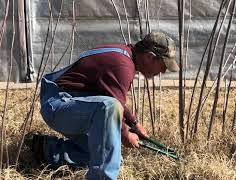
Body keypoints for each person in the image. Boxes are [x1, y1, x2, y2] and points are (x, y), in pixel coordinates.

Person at [27, 31, 179, 180]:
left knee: (111, 159)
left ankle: (44, 149)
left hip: (70, 103)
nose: (164, 71)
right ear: (149, 57)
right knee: (109, 109)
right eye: (163, 65)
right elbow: (111, 105)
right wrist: (125, 135)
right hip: (59, 104)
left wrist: (134, 123)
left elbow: (112, 96)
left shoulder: (123, 55)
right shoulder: (122, 66)